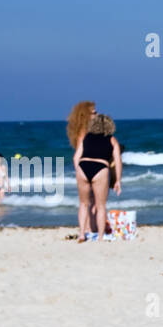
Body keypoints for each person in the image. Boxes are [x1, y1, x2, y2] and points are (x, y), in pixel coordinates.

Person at [73, 112, 123, 241]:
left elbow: (76, 157)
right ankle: (100, 237)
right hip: (100, 168)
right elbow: (118, 161)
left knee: (83, 204)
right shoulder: (112, 139)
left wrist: (79, 170)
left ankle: (82, 234)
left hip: (83, 167)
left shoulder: (86, 137)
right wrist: (117, 180)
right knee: (101, 205)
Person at [66, 101, 97, 236]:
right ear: (86, 115)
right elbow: (77, 156)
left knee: (89, 201)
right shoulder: (84, 133)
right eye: (94, 112)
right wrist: (80, 170)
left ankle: (89, 229)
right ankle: (88, 230)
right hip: (88, 169)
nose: (97, 114)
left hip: (86, 169)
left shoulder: (88, 131)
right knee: (89, 202)